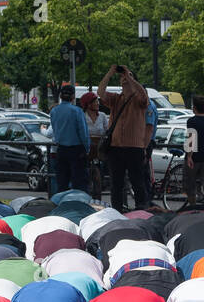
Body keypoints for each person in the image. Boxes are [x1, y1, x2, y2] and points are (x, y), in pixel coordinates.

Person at [98, 65, 151, 212]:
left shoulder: (139, 99)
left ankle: (141, 209)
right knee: (116, 183)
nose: (124, 80)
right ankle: (117, 210)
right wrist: (109, 73)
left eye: (127, 78)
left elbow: (143, 96)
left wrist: (129, 76)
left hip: (134, 147)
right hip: (115, 147)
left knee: (137, 181)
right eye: (122, 79)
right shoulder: (116, 99)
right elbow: (100, 92)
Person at [49, 84, 90, 195]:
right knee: (79, 184)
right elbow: (83, 133)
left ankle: (62, 206)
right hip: (76, 151)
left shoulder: (54, 111)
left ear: (61, 96)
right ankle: (80, 206)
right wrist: (87, 149)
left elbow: (54, 129)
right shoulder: (77, 111)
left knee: (62, 184)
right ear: (73, 97)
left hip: (61, 150)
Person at [81, 92, 112, 202]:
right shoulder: (82, 116)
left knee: (99, 179)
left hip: (99, 151)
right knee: (86, 179)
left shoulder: (102, 116)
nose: (98, 103)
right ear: (88, 104)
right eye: (95, 101)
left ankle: (98, 201)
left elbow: (107, 131)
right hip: (86, 151)